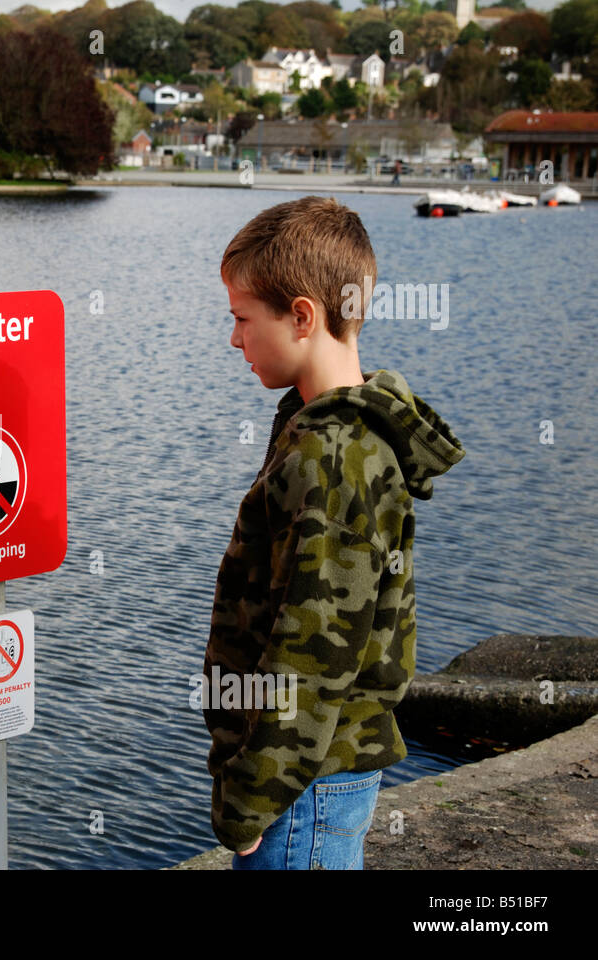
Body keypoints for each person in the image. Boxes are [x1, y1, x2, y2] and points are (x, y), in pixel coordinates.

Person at [203, 196, 465, 869]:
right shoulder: (319, 428)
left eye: (241, 319)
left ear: (301, 317)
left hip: (301, 788)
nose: (233, 340)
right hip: (309, 778)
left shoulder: (337, 457)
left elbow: (312, 656)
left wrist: (248, 801)